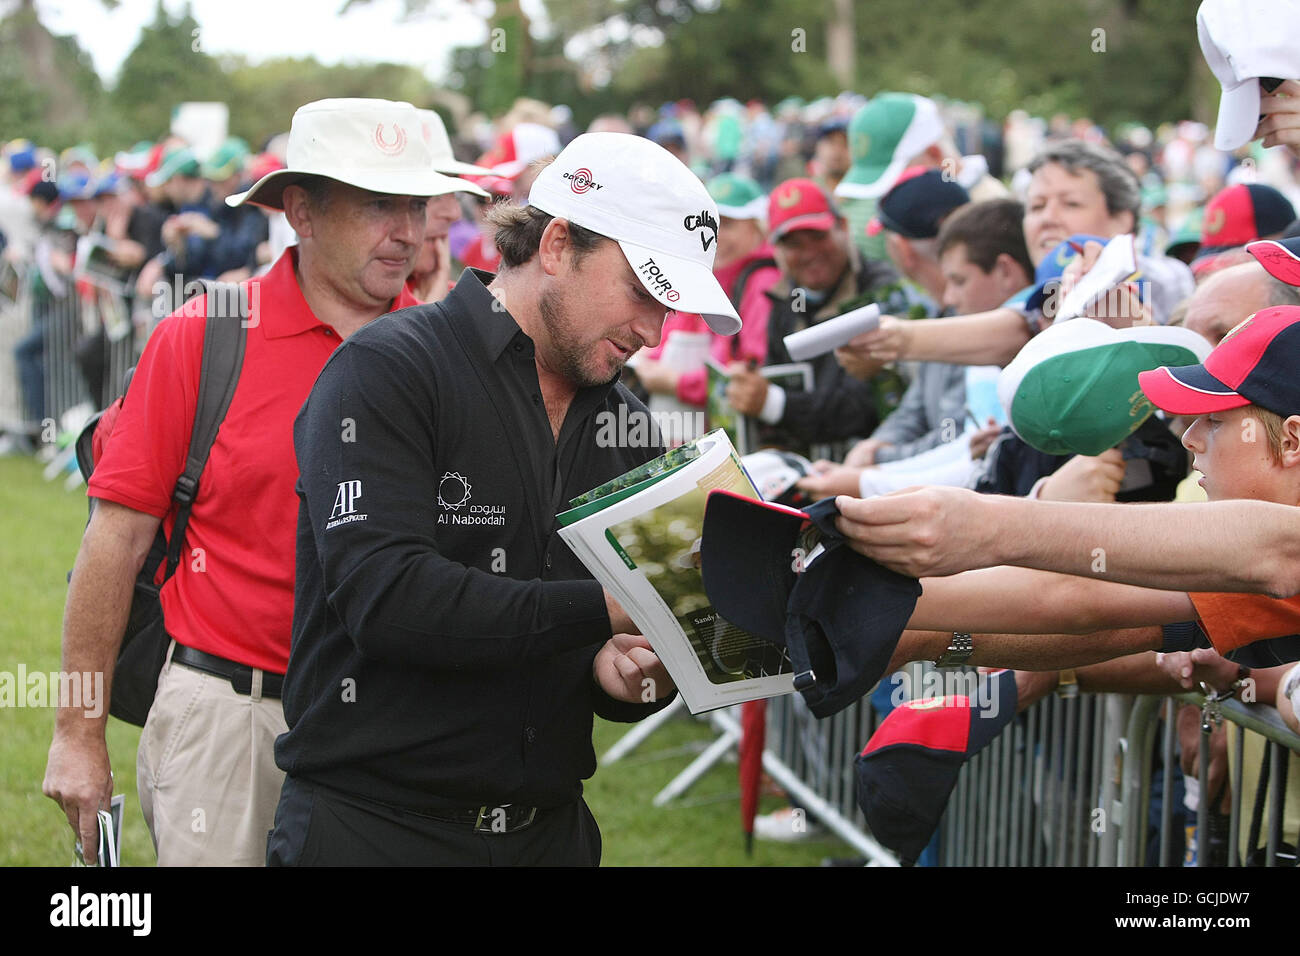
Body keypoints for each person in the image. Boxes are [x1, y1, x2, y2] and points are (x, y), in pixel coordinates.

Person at [267, 132, 741, 866]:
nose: (654, 332)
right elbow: (388, 600)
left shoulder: (631, 427)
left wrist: (627, 673)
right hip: (374, 831)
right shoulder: (385, 370)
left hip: (548, 831)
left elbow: (631, 666)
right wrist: (618, 606)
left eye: (671, 307)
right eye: (645, 292)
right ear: (556, 245)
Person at [42, 98, 479, 866]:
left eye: (415, 204)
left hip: (391, 725)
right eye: (380, 203)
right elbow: (114, 539)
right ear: (302, 213)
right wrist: (77, 735)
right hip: (228, 720)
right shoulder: (204, 335)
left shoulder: (446, 356)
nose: (408, 230)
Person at [836, 305, 1300, 666]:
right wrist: (873, 612)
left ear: (1293, 439)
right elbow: (1077, 602)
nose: (1189, 436)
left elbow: (1277, 547)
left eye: (1216, 421)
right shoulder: (1245, 563)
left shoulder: (1270, 550)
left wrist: (993, 525)